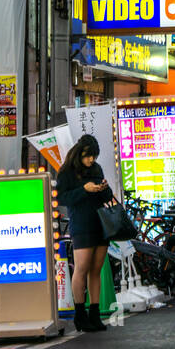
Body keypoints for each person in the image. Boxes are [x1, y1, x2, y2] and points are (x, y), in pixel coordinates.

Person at [57, 135, 115, 332]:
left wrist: (104, 189)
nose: (91, 160)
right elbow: (62, 198)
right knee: (81, 268)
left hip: (100, 223)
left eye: (94, 156)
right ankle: (80, 314)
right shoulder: (66, 171)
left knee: (95, 269)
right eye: (88, 156)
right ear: (79, 152)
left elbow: (106, 197)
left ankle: (95, 314)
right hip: (81, 224)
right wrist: (84, 189)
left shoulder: (96, 169)